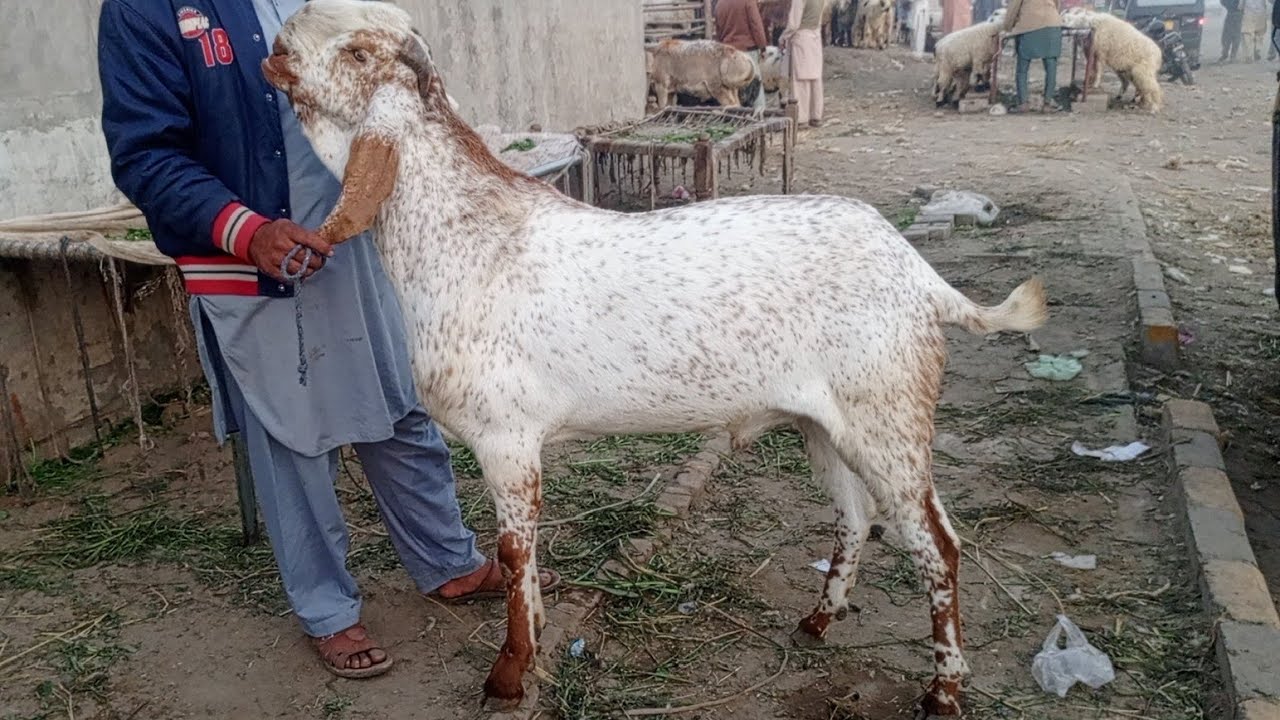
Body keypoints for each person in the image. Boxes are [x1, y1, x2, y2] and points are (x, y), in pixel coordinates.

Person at [97, 0, 560, 679]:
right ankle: (327, 610)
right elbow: (146, 154)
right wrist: (245, 231)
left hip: (355, 240)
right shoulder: (146, 11)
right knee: (293, 439)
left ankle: (448, 562)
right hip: (253, 256)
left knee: (401, 408)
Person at [1003, 0, 1064, 112]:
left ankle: (1023, 103)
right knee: (1051, 66)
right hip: (1052, 24)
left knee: (1022, 67)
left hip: (1029, 25)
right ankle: (1047, 104)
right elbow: (1057, 3)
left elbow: (1012, 9)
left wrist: (1007, 27)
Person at [715, 0, 770, 111]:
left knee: (732, 88)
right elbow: (756, 25)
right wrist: (762, 46)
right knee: (755, 85)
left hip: (729, 51)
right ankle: (759, 114)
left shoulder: (720, 3)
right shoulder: (748, 1)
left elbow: (718, 30)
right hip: (747, 50)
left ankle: (735, 115)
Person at [782, 0, 826, 127]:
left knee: (800, 80)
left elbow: (794, 24)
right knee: (815, 78)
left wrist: (784, 36)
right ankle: (816, 115)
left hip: (801, 38)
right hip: (815, 37)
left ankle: (801, 117)